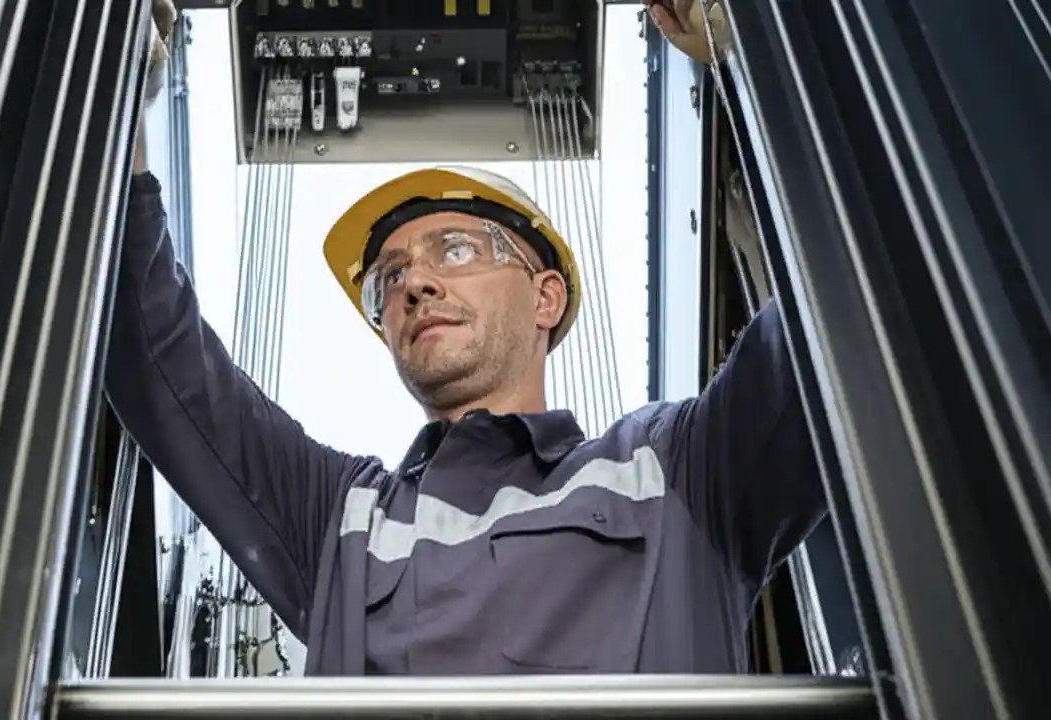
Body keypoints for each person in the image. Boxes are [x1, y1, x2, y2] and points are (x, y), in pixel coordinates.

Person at [106, 3, 826, 676]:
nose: (414, 284)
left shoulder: (678, 470)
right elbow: (156, 357)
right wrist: (116, 97)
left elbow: (833, 310)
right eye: (388, 278)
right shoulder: (339, 516)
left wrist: (748, 56)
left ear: (546, 296)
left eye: (454, 250)